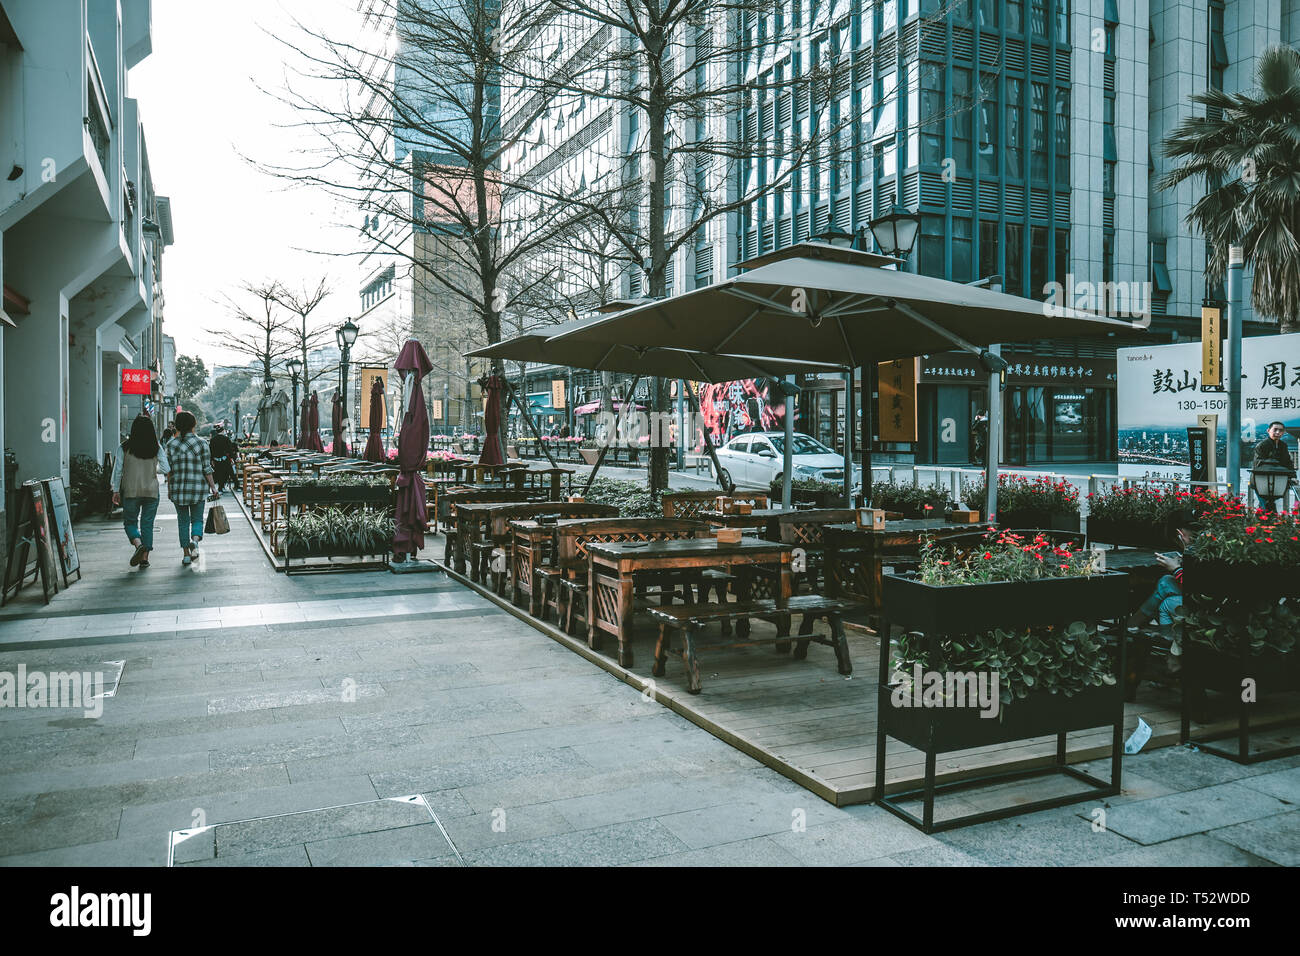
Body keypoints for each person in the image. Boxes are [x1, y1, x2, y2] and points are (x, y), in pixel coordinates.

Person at [110, 415, 170, 569]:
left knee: (130, 522)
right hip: (151, 490)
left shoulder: (124, 447)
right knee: (147, 524)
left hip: (130, 490)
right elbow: (166, 469)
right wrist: (152, 469)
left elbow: (117, 471)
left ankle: (138, 544)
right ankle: (144, 558)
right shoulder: (156, 447)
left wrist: (115, 490)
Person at [166, 411, 219, 566]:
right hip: (197, 489)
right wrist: (213, 487)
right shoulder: (202, 443)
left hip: (178, 489)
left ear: (177, 425)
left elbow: (169, 471)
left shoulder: (171, 445)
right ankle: (195, 541)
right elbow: (206, 469)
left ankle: (186, 555)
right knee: (197, 519)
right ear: (193, 425)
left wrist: (170, 489)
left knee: (182, 522)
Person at [209, 423, 238, 493]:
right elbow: (230, 450)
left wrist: (211, 459)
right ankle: (237, 486)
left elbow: (210, 451)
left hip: (216, 460)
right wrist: (234, 458)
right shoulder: (226, 439)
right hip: (225, 459)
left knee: (219, 474)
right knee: (230, 472)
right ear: (222, 431)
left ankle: (220, 487)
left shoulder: (213, 440)